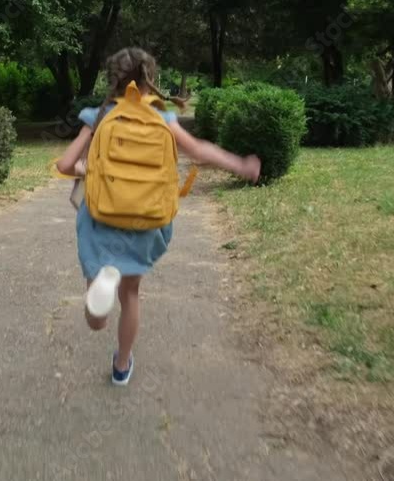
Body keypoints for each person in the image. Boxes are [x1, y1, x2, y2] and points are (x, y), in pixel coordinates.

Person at [54, 47, 261, 386]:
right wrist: (241, 165)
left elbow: (65, 165)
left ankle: (97, 309)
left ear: (112, 79)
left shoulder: (97, 116)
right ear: (151, 79)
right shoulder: (163, 118)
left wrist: (88, 169)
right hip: (145, 220)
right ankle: (122, 364)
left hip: (101, 218)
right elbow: (199, 151)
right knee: (131, 295)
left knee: (96, 307)